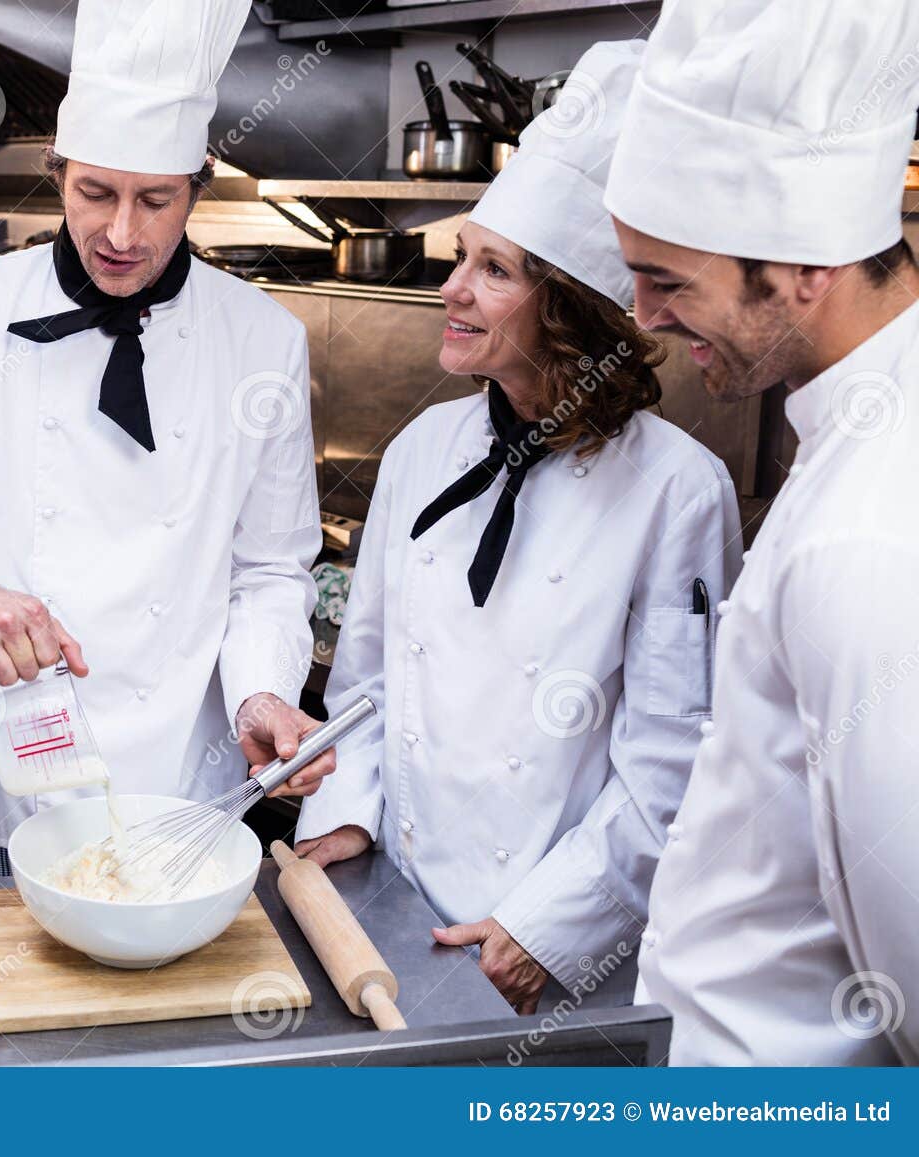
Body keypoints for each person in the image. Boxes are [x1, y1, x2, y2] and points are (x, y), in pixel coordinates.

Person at [295, 41, 742, 1015]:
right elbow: (366, 676)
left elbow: (676, 763)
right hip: (397, 904)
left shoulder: (677, 490)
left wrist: (550, 926)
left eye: (491, 271)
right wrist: (342, 816)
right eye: (462, 258)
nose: (451, 291)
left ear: (568, 314)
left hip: (554, 950)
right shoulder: (422, 447)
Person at [0, 0, 334, 876]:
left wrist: (263, 689)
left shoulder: (262, 340)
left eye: (155, 200)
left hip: (189, 788)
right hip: (6, 785)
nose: (121, 233)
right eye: (95, 192)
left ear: (200, 182)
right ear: (56, 168)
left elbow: (268, 569)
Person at [605, 0, 919, 1064]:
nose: (642, 316)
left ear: (802, 269)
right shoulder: (866, 426)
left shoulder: (864, 536)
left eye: (668, 282)